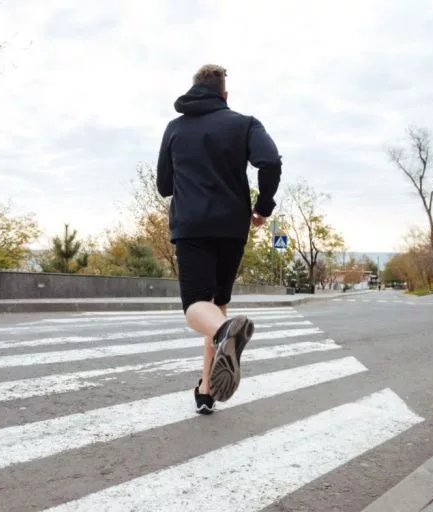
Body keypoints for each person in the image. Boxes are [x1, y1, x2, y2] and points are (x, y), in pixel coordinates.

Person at [155, 64, 282, 414]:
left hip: (192, 225)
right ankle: (207, 389)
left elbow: (164, 186)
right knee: (217, 305)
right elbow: (269, 161)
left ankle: (227, 332)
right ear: (225, 95)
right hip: (232, 226)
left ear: (194, 90)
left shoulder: (175, 128)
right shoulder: (244, 124)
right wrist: (262, 208)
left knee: (196, 307)